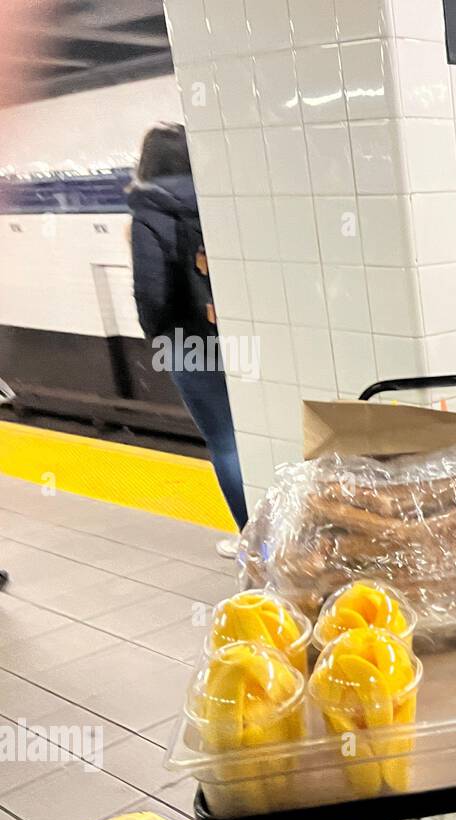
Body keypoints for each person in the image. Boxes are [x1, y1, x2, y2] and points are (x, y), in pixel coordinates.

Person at [128, 122, 247, 557]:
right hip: (241, 331)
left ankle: (254, 541)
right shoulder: (222, 200)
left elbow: (152, 291)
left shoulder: (149, 214)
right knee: (258, 431)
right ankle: (288, 534)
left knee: (226, 440)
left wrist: (155, 334)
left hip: (186, 340)